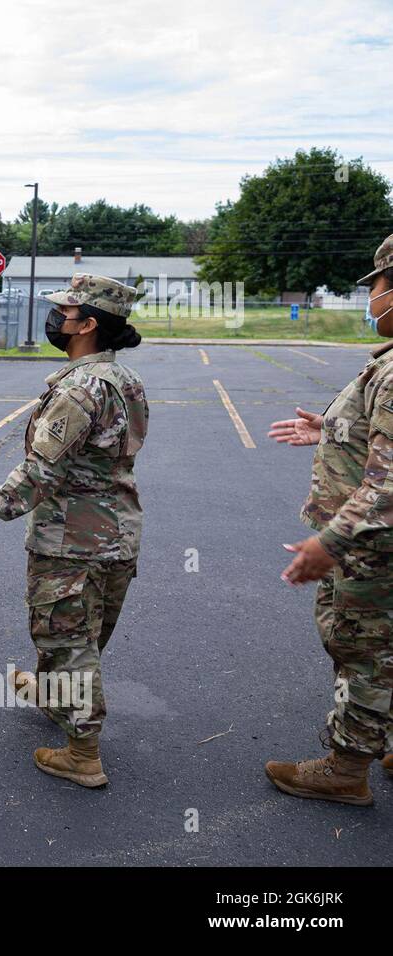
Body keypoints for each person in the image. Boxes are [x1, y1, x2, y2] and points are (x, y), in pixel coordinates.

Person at [0, 273, 147, 789]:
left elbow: (42, 472)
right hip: (117, 534)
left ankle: (83, 752)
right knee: (82, 630)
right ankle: (49, 694)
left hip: (72, 539)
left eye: (64, 312)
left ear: (87, 325)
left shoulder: (80, 389)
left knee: (66, 637)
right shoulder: (123, 379)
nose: (55, 319)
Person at [265, 232, 393, 805]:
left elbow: (388, 483)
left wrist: (330, 542)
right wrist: (331, 429)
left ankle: (346, 769)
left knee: (361, 651)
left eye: (379, 286)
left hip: (371, 548)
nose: (373, 299)